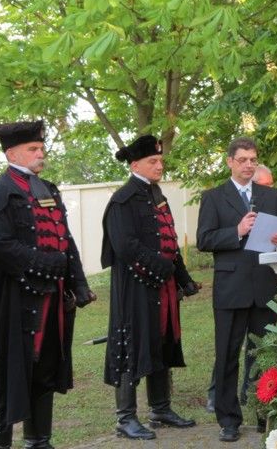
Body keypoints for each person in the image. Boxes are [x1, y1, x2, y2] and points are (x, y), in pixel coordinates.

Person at [0, 120, 96, 449]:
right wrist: (43, 264)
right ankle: (0, 445)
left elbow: (64, 240)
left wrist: (80, 282)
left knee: (44, 369)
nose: (40, 153)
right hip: (12, 301)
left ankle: (39, 441)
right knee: (4, 373)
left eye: (41, 148)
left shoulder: (49, 190)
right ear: (11, 153)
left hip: (52, 300)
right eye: (33, 149)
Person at [197, 137, 277, 443]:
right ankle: (228, 419)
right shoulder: (214, 197)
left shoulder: (271, 195)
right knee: (227, 355)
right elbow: (204, 239)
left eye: (253, 159)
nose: (248, 165)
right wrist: (237, 232)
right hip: (230, 288)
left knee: (264, 355)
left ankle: (265, 411)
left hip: (263, 285)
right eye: (242, 160)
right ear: (230, 162)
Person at [101, 135, 199, 440]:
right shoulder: (123, 200)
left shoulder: (157, 195)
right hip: (135, 287)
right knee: (132, 344)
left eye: (160, 160)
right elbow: (125, 246)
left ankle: (160, 408)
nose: (160, 165)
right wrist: (163, 268)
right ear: (135, 165)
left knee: (161, 341)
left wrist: (183, 278)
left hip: (163, 286)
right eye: (152, 161)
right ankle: (125, 417)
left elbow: (169, 242)